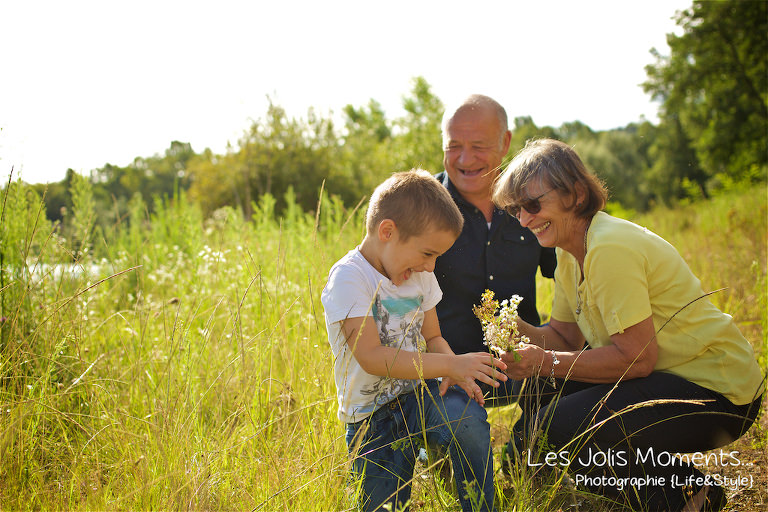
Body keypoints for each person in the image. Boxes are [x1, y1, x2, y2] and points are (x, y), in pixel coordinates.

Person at [492, 138, 765, 511]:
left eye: (532, 204)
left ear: (574, 193)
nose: (524, 219)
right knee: (542, 398)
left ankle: (686, 497)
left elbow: (637, 360)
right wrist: (505, 324)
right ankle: (551, 489)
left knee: (561, 428)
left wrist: (543, 360)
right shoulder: (569, 250)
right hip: (670, 379)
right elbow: (564, 337)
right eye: (515, 210)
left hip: (721, 391)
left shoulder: (609, 248)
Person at [321, 169, 508, 512]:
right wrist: (452, 362)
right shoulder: (350, 278)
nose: (430, 266)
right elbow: (373, 357)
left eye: (437, 257)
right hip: (371, 420)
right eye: (426, 254)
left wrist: (455, 371)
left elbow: (433, 336)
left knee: (467, 420)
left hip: (417, 398)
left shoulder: (418, 276)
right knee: (384, 506)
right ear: (387, 231)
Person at [434, 95, 556, 402]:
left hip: (528, 373)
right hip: (447, 378)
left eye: (478, 146)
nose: (464, 159)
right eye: (454, 146)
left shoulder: (536, 203)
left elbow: (578, 281)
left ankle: (526, 441)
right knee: (463, 431)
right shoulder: (421, 206)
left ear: (505, 142)